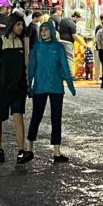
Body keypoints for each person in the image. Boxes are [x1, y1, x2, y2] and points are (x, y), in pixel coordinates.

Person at [0, 14, 33, 164]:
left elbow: (26, 65)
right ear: (11, 25)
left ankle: (21, 151)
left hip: (18, 87)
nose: (21, 27)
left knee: (18, 116)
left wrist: (28, 84)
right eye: (18, 24)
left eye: (22, 25)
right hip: (1, 88)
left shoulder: (22, 43)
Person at [27, 21, 76, 162]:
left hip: (56, 87)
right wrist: (29, 85)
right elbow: (31, 67)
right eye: (41, 30)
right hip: (40, 86)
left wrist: (70, 83)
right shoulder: (37, 47)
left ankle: (56, 152)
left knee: (56, 118)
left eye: (46, 30)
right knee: (36, 116)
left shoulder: (58, 47)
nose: (43, 32)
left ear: (52, 32)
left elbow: (65, 66)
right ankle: (29, 148)